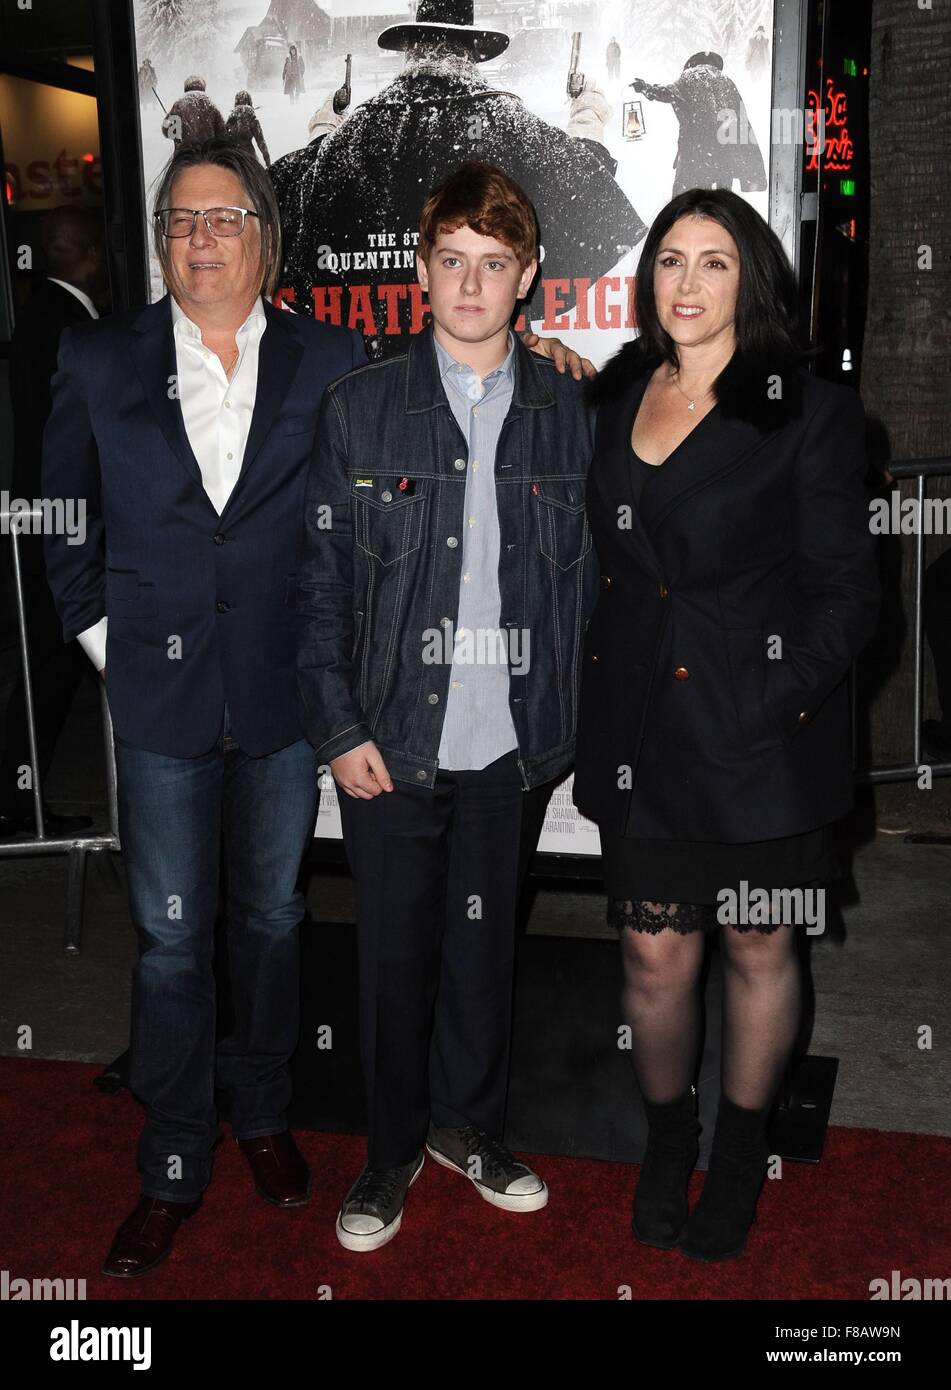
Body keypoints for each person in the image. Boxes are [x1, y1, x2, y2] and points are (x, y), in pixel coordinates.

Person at [42, 138, 367, 1278]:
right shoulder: (98, 358)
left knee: (275, 922)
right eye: (180, 219)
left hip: (283, 701)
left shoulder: (334, 357)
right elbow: (63, 519)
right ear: (162, 238)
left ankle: (266, 1112)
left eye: (224, 217)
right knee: (175, 944)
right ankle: (175, 1157)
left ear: (266, 237)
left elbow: (377, 498)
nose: (200, 238)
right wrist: (108, 649)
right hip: (159, 699)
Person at [573, 187, 879, 1261]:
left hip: (758, 739)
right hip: (644, 733)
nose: (686, 282)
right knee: (654, 957)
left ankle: (742, 1151)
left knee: (759, 941)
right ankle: (670, 1140)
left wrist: (769, 698)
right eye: (669, 260)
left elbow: (849, 594)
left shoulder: (806, 407)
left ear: (749, 278)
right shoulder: (610, 396)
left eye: (712, 261)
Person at [297, 160, 598, 1251]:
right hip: (392, 745)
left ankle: (472, 1128)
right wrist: (338, 731)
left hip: (511, 748)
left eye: (495, 263)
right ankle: (388, 1149)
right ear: (423, 271)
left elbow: (598, 580)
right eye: (453, 261)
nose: (472, 284)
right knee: (393, 959)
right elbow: (320, 587)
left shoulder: (573, 409)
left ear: (527, 278)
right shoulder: (359, 409)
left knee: (486, 954)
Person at [283, 0, 645, 355]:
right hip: (491, 373)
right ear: (472, 50)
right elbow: (586, 197)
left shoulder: (358, 133)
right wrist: (587, 120)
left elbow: (297, 201)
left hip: (376, 376)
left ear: (410, 47)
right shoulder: (509, 124)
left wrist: (324, 135)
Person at [1, 206, 107, 838]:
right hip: (60, 517)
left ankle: (21, 791)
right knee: (53, 656)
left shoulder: (39, 315)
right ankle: (19, 793)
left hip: (49, 514)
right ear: (87, 253)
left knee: (51, 655)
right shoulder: (63, 323)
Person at [630, 53, 766, 197]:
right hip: (726, 148)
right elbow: (741, 118)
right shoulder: (727, 81)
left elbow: (669, 93)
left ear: (692, 64)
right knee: (723, 197)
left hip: (698, 147)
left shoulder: (690, 76)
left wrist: (646, 88)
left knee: (693, 197)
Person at [161, 75, 226, 148]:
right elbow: (222, 131)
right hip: (207, 153)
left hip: (185, 153)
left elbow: (166, 131)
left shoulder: (179, 104)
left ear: (186, 88)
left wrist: (174, 127)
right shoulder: (210, 103)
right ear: (203, 87)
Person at [225, 90, 271, 167]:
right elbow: (261, 141)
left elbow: (224, 137)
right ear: (250, 102)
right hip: (249, 155)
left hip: (233, 156)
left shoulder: (231, 117)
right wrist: (268, 163)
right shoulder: (251, 116)